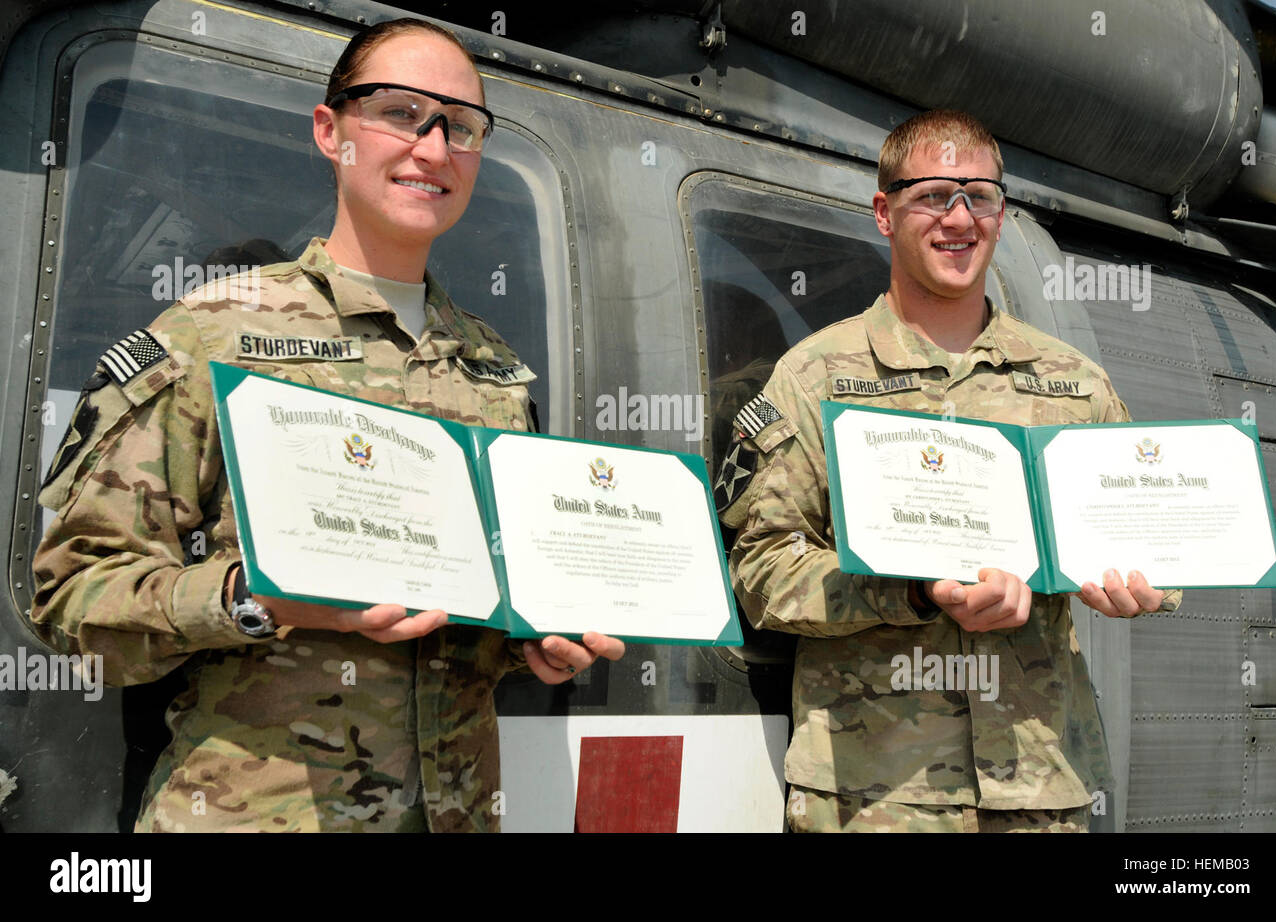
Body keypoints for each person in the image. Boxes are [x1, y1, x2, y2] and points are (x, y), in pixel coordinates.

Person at [29, 18, 623, 832]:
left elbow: (473, 611)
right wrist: (259, 601)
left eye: (462, 126)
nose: (434, 146)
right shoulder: (215, 333)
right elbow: (72, 603)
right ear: (329, 130)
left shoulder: (496, 374)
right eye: (401, 112)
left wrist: (535, 643)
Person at [715, 109, 1181, 833]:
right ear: (884, 211)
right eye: (934, 195)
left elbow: (1144, 537)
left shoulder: (1074, 384)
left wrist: (1138, 583)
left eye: (981, 197)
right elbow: (762, 568)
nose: (959, 218)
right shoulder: (816, 378)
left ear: (1001, 214)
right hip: (876, 794)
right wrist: (912, 591)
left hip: (1039, 788)